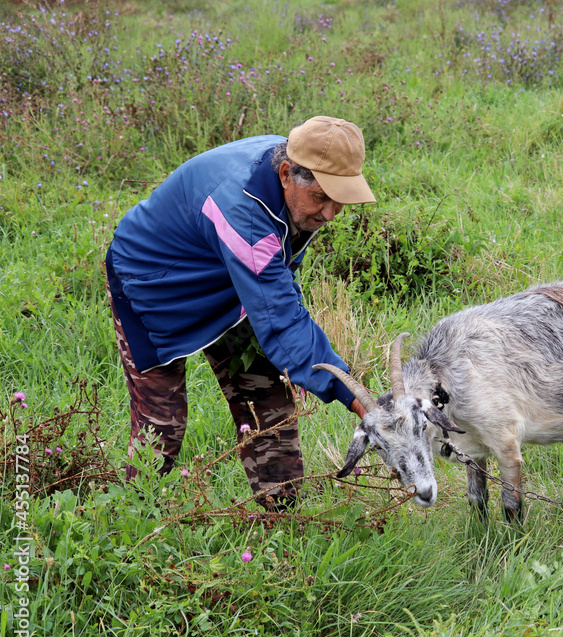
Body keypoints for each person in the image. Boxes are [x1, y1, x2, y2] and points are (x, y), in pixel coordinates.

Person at [105, 116, 373, 510]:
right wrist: (351, 391)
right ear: (286, 174)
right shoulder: (243, 210)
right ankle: (129, 523)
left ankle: (283, 523)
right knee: (162, 425)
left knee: (268, 400)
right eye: (321, 198)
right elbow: (280, 319)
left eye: (340, 200)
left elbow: (277, 277)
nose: (331, 213)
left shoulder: (298, 168)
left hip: (230, 279)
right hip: (152, 283)